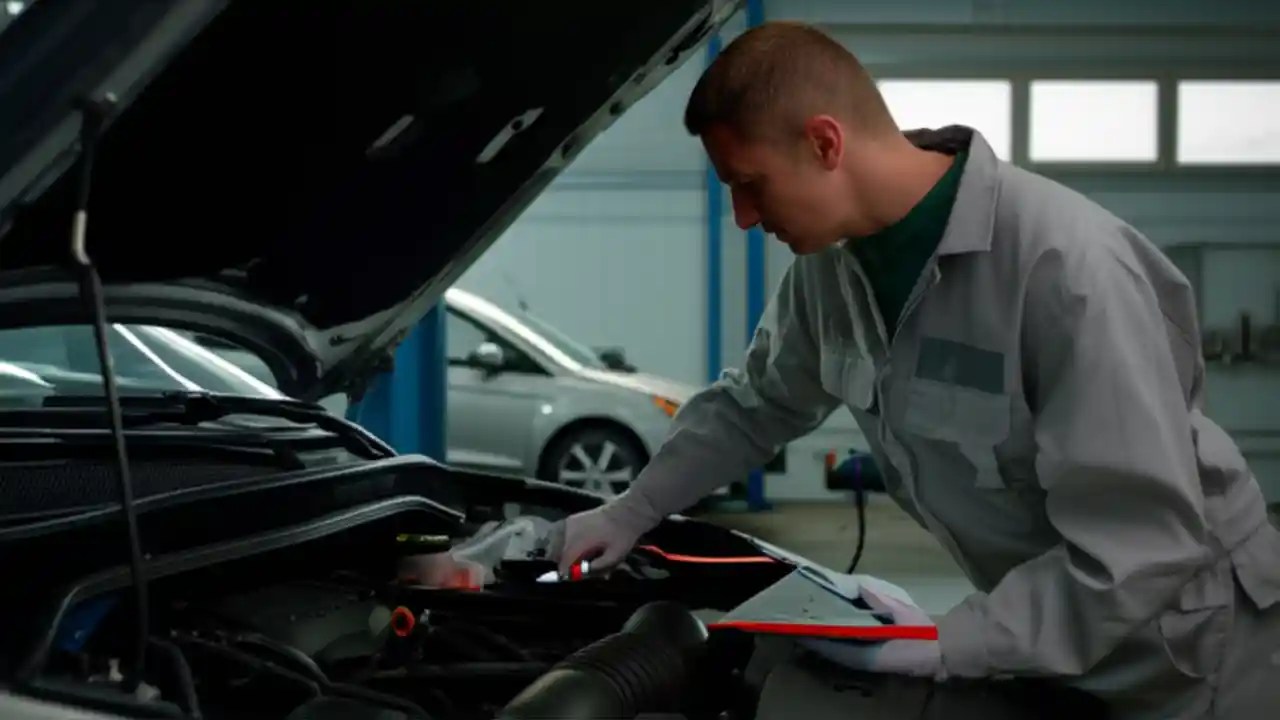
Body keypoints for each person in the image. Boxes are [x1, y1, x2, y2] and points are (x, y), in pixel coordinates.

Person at [549, 20, 1280, 719]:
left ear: (825, 143)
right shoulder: (830, 274)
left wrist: (947, 643)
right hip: (1048, 637)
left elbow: (1142, 542)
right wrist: (630, 511)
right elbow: (755, 405)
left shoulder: (1065, 270)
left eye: (750, 183)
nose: (741, 215)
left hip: (1191, 649)